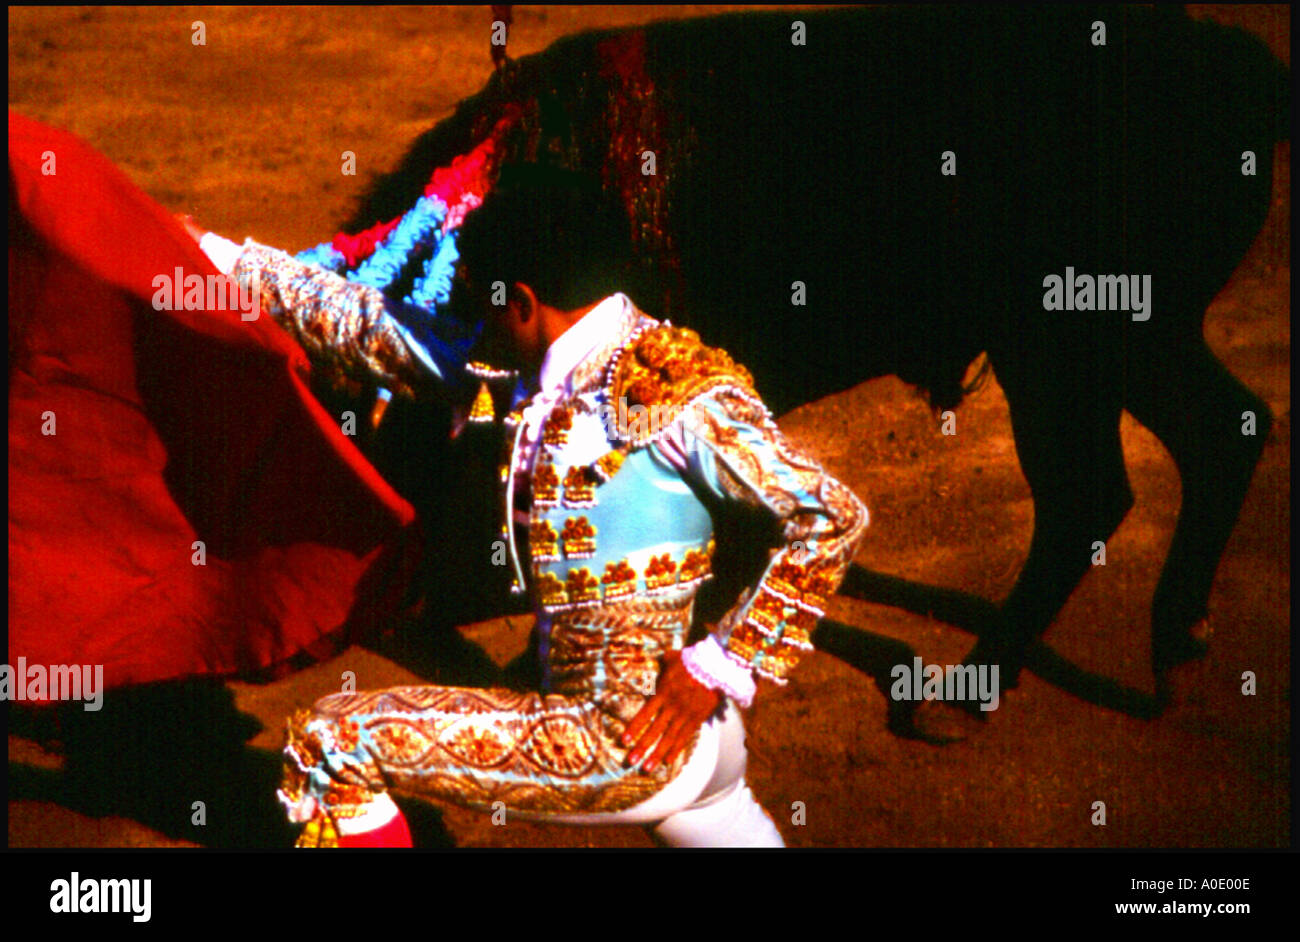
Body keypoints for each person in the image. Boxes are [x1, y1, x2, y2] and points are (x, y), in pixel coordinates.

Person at [194, 163, 869, 848]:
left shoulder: (671, 394)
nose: (473, 327)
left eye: (481, 307)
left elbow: (830, 516)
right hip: (686, 738)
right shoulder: (558, 361)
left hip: (620, 739)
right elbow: (375, 329)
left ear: (520, 302)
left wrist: (720, 664)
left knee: (332, 743)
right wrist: (219, 259)